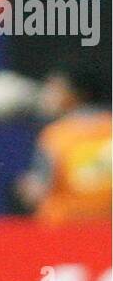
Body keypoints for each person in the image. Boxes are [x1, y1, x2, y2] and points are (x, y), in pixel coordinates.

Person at [14, 67, 111, 223]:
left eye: (55, 89)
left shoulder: (57, 136)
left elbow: (39, 191)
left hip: (62, 232)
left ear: (75, 94)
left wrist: (26, 186)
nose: (48, 95)